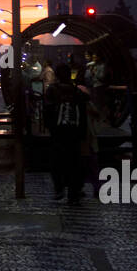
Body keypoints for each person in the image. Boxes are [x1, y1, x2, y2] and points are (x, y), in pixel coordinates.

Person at [45, 64, 88, 204]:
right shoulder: (78, 92)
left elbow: (47, 112)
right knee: (75, 163)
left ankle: (59, 188)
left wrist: (50, 128)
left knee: (56, 162)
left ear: (57, 75)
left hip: (58, 133)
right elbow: (83, 115)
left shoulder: (52, 90)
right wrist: (82, 133)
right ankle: (73, 194)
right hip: (74, 134)